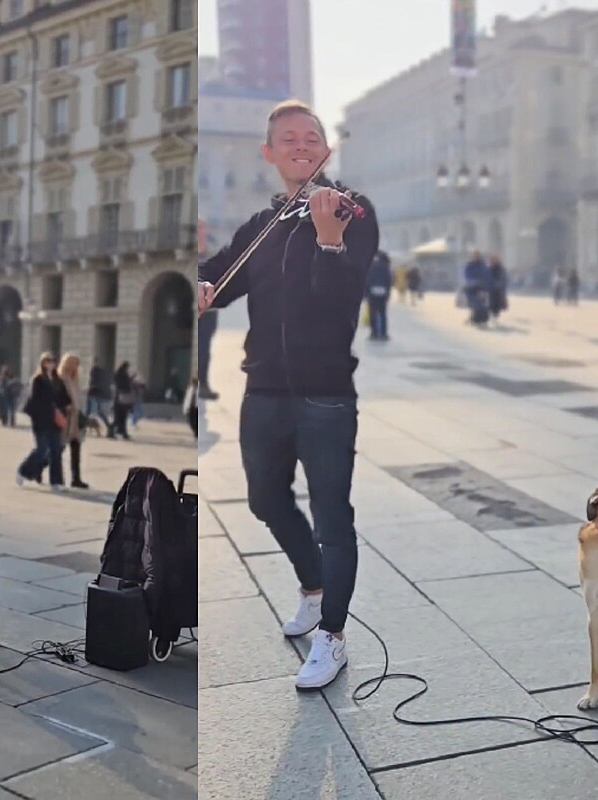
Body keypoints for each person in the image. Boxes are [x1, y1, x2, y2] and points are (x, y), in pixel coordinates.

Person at [197, 99, 379, 691]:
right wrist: (200, 284)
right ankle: (313, 584)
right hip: (264, 390)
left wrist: (329, 239)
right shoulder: (261, 226)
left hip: (326, 394)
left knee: (332, 517)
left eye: (312, 137)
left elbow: (343, 297)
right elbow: (220, 279)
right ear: (269, 153)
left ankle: (332, 636)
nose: (301, 145)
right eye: (288, 138)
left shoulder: (352, 211)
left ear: (326, 147)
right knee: (264, 500)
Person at [16, 352, 69, 491]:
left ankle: (56, 482)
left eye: (53, 361)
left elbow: (64, 398)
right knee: (41, 449)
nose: (51, 364)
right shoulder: (38, 380)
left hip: (54, 421)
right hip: (41, 420)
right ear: (43, 363)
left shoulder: (58, 379)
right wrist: (46, 409)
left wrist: (65, 409)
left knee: (56, 451)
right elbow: (34, 401)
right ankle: (23, 471)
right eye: (47, 361)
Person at [196, 217, 220, 400]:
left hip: (209, 310)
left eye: (202, 228)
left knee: (205, 348)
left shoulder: (213, 255)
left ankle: (202, 384)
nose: (200, 232)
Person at [57, 353, 90, 489]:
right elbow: (56, 398)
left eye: (76, 364)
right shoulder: (60, 379)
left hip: (75, 421)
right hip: (64, 419)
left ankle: (76, 478)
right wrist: (65, 406)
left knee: (76, 449)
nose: (74, 367)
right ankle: (42, 470)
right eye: (71, 364)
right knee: (57, 449)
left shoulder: (75, 380)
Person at [364, 250, 392, 341]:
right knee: (382, 313)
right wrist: (388, 292)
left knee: (373, 313)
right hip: (383, 292)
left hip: (372, 292)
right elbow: (389, 280)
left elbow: (367, 279)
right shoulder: (386, 267)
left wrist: (366, 293)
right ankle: (383, 333)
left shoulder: (371, 266)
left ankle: (374, 333)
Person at [111, 361, 134, 440]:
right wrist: (131, 380)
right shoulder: (121, 375)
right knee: (120, 417)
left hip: (120, 398)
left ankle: (121, 432)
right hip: (122, 398)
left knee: (120, 417)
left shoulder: (119, 374)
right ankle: (116, 432)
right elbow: (124, 384)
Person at [488, 254, 508, 321]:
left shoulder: (501, 268)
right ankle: (492, 316)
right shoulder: (489, 268)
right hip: (490, 289)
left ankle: (495, 316)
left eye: (495, 259)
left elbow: (503, 278)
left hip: (498, 289)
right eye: (492, 259)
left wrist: (499, 285)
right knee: (490, 304)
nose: (493, 261)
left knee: (497, 304)